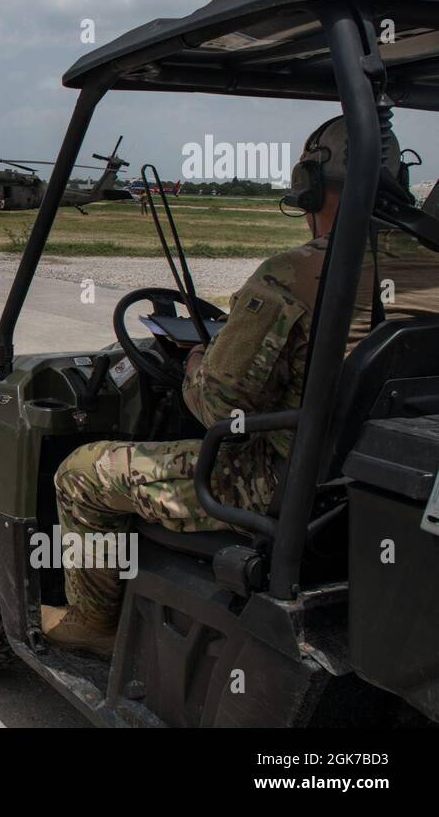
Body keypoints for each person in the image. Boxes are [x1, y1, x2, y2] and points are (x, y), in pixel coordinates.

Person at [43, 116, 439, 658]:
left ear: (310, 184)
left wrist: (197, 360)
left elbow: (218, 408)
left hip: (283, 484)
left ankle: (93, 623)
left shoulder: (293, 274)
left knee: (82, 473)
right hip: (378, 483)